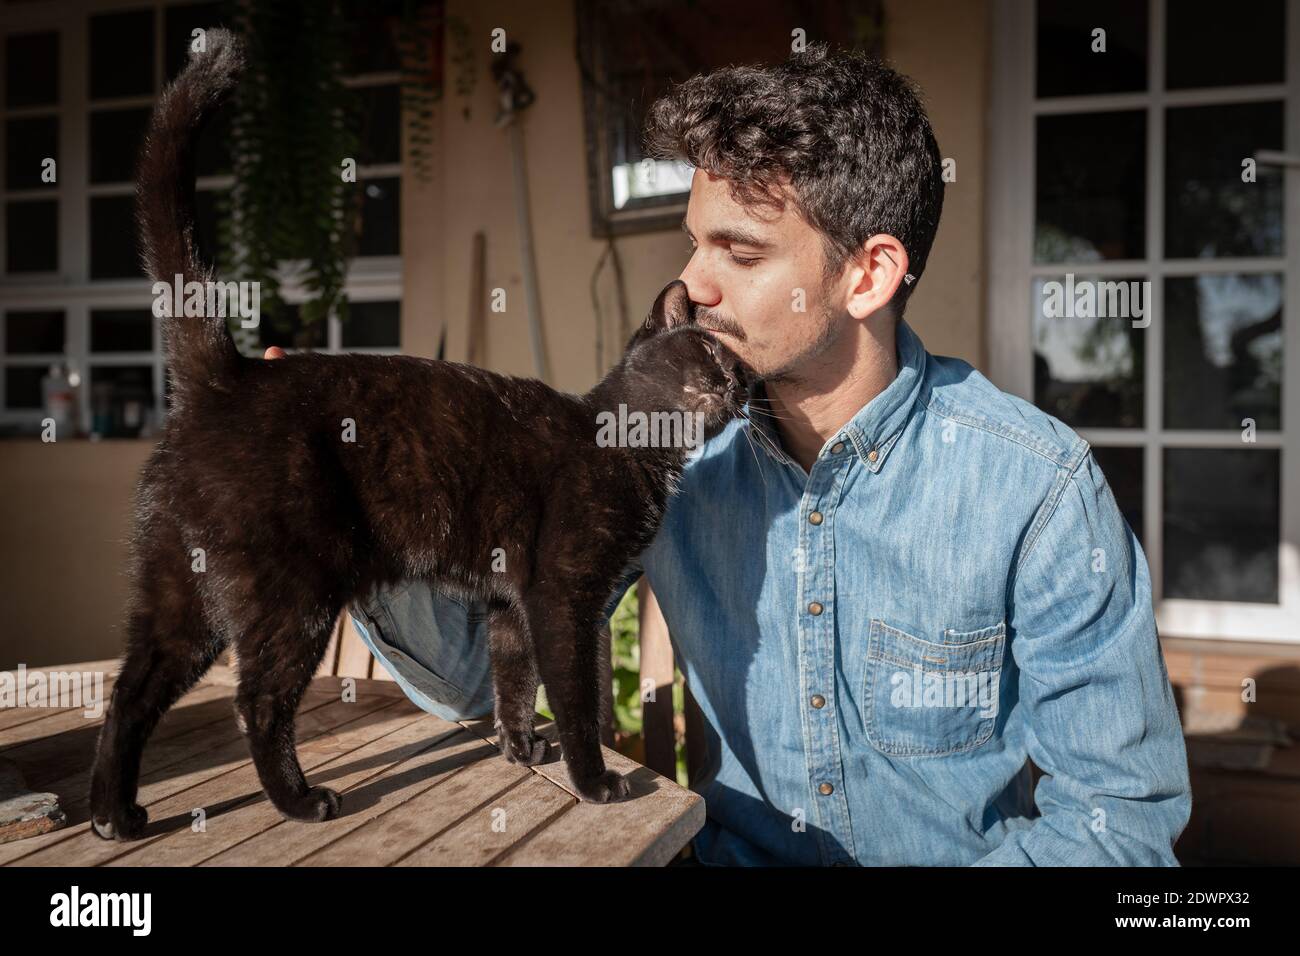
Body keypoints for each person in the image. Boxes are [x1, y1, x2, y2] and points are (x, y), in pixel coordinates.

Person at [275, 42, 1192, 866]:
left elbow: (1121, 824)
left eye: (741, 254)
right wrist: (364, 497)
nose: (694, 284)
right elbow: (471, 680)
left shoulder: (1033, 486)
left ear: (869, 274)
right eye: (693, 243)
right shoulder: (661, 451)